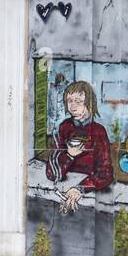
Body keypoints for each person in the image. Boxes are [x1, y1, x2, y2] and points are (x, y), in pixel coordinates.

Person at [45, 80, 113, 213]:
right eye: (70, 101)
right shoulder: (64, 127)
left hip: (89, 187)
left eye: (79, 101)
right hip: (65, 184)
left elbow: (105, 173)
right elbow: (51, 172)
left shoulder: (99, 131)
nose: (73, 106)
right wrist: (69, 155)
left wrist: (80, 188)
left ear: (90, 103)